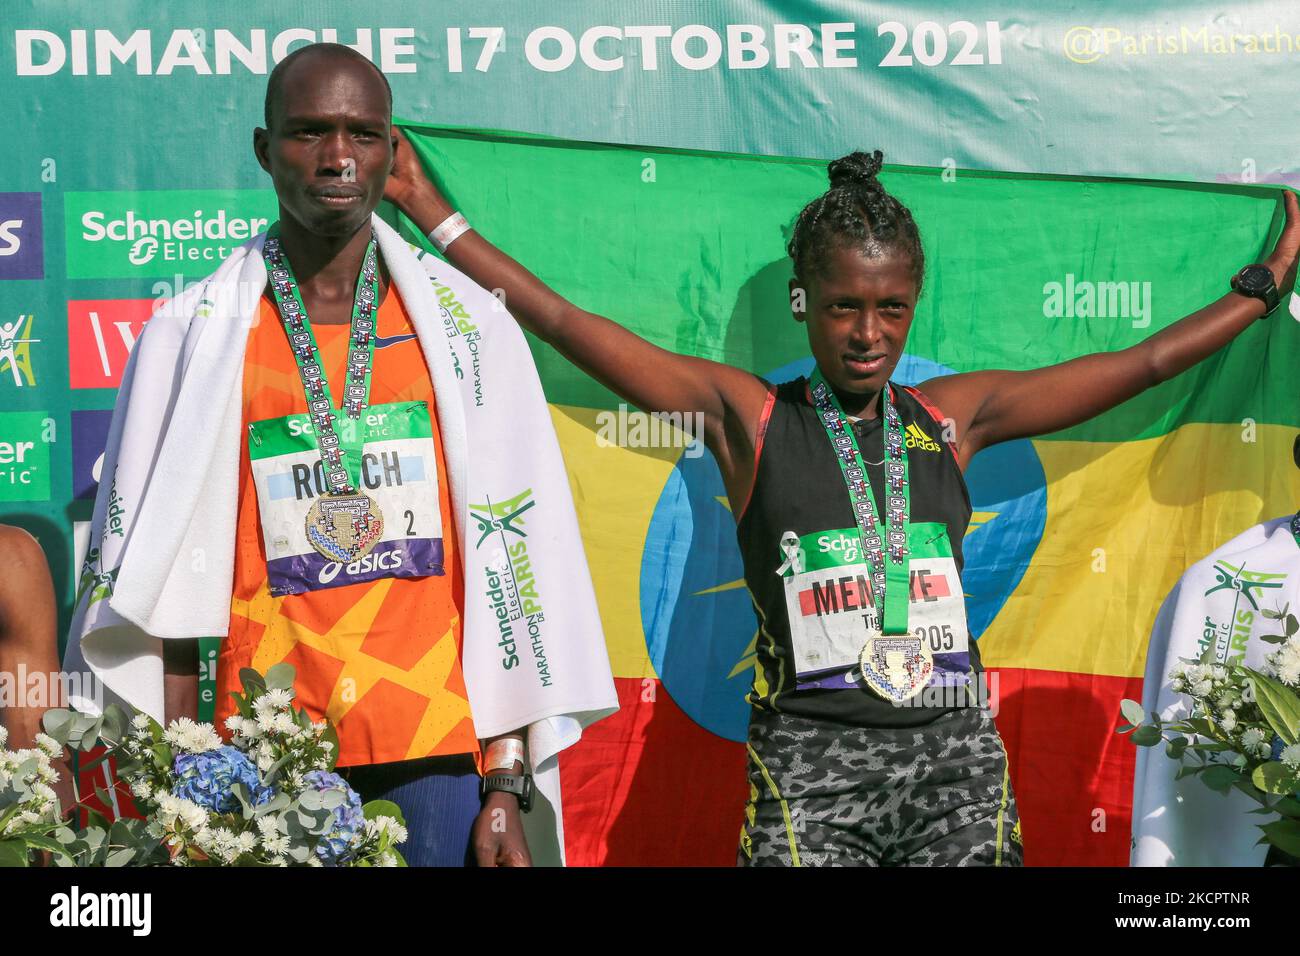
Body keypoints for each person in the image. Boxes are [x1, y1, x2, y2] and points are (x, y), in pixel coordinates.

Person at [384, 138, 1300, 866]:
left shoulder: (952, 417)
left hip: (955, 767)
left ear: (913, 304)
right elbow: (565, 323)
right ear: (804, 301)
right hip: (810, 772)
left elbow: (1135, 368)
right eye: (843, 308)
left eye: (891, 308)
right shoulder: (748, 418)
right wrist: (434, 213)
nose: (869, 335)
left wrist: (1262, 292)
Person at [61, 43, 615, 867]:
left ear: (392, 153)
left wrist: (504, 782)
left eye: (362, 134)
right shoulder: (191, 335)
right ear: (263, 148)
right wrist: (180, 758)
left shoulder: (468, 334)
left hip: (432, 738)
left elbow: (508, 573)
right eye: (309, 132)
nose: (336, 157)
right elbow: (159, 578)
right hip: (257, 747)